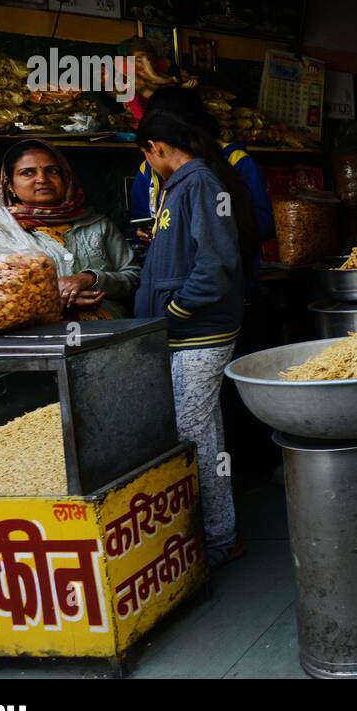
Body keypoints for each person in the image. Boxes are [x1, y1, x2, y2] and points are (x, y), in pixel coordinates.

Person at [134, 110, 260, 568]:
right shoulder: (182, 186)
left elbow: (218, 262)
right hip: (183, 332)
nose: (150, 166)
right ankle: (211, 534)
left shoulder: (201, 183)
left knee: (196, 431)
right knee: (196, 428)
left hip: (199, 331)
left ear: (157, 149)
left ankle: (220, 538)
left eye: (147, 158)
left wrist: (176, 309)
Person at [0, 139, 140, 318]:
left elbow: (134, 278)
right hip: (39, 340)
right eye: (27, 173)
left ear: (66, 178)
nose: (42, 179)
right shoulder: (1, 232)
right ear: (10, 184)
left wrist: (89, 279)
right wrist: (53, 298)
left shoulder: (98, 224)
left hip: (109, 332)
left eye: (53, 171)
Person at [128, 87, 275, 246]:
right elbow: (138, 220)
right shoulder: (150, 166)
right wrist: (142, 232)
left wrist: (215, 231)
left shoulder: (233, 162)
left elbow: (263, 223)